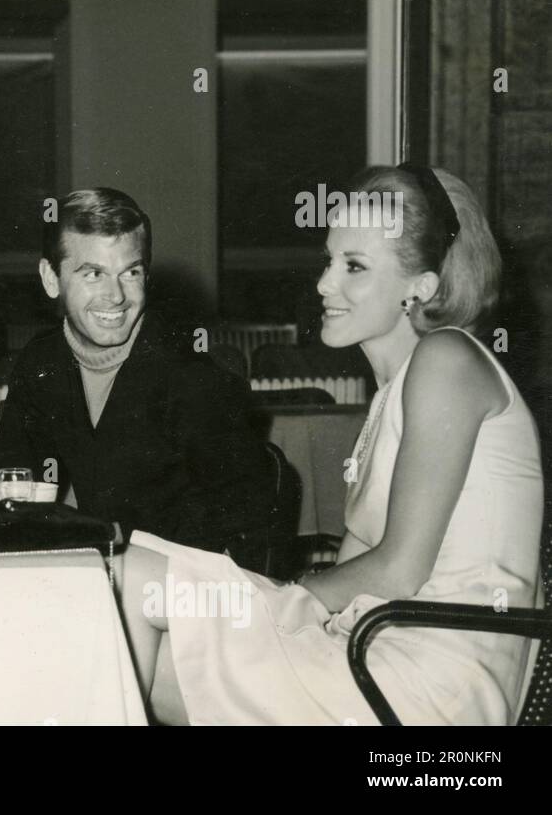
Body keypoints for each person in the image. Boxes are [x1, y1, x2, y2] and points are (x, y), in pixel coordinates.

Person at [119, 165, 544, 725]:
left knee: (136, 576)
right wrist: (271, 602)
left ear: (421, 286)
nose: (324, 283)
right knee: (139, 650)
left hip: (432, 683)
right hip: (373, 653)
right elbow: (360, 563)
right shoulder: (395, 391)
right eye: (330, 260)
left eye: (355, 267)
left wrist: (280, 600)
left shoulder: (447, 361)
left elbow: (397, 570)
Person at [0, 188, 276, 557]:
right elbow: (10, 480)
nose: (116, 296)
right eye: (93, 274)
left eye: (131, 272)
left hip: (175, 588)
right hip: (89, 570)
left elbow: (244, 527)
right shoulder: (41, 362)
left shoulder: (194, 378)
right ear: (51, 278)